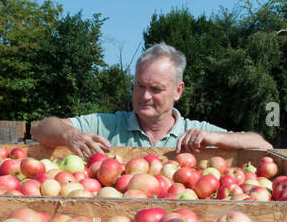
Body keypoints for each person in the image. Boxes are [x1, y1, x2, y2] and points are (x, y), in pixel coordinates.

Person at [30, 42, 273, 157]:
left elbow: (263, 145)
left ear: (178, 91)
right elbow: (40, 128)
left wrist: (216, 138)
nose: (145, 96)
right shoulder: (107, 126)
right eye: (139, 86)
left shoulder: (195, 133)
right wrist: (69, 135)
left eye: (155, 89)